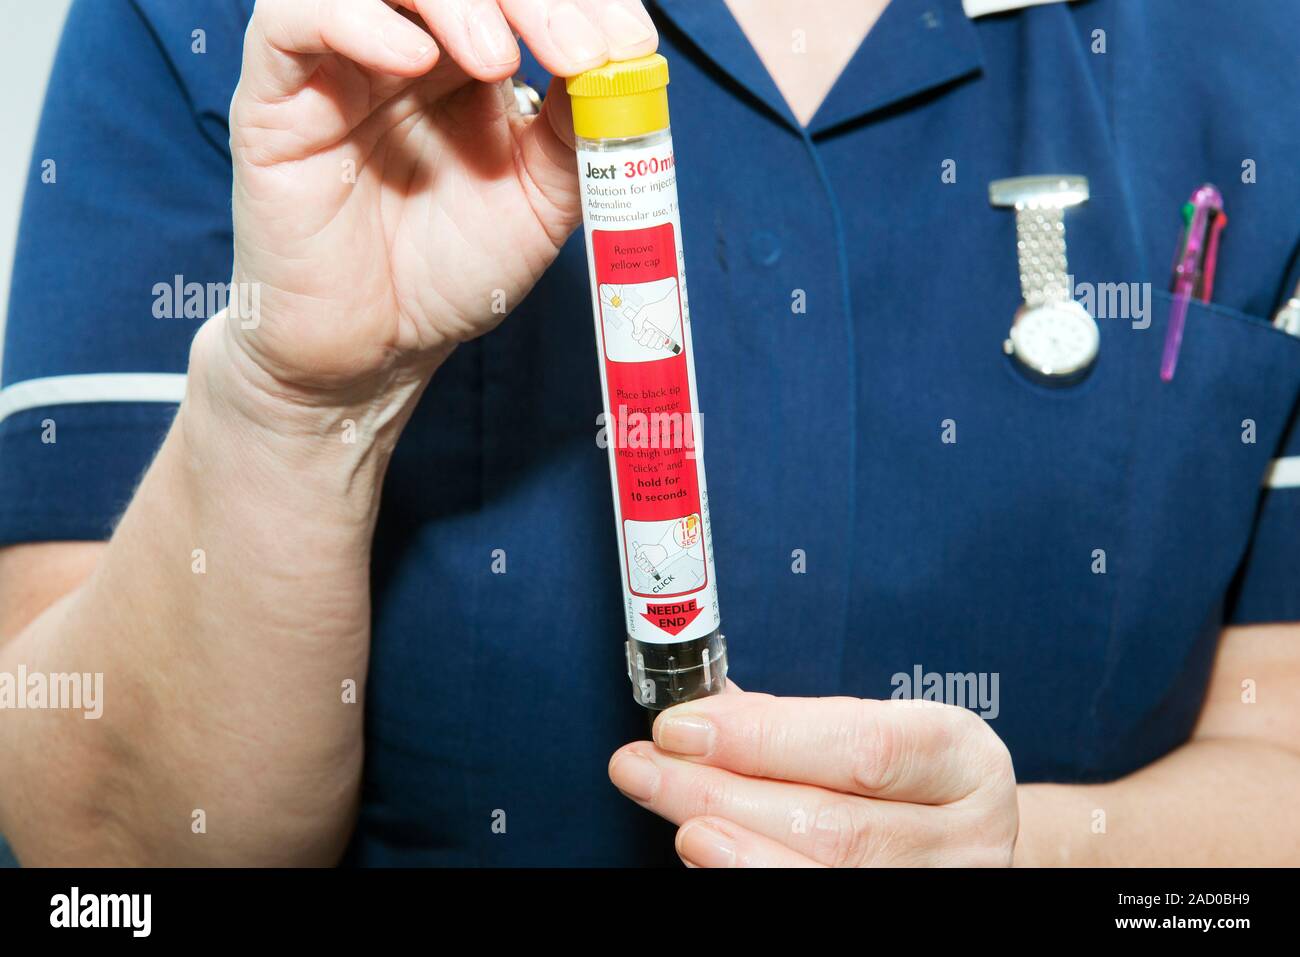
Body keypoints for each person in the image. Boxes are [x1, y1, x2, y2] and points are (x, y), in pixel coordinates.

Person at [0, 0, 1298, 867]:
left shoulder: (1256, 45)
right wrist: (302, 405)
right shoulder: (260, 29)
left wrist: (1038, 851)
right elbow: (100, 851)